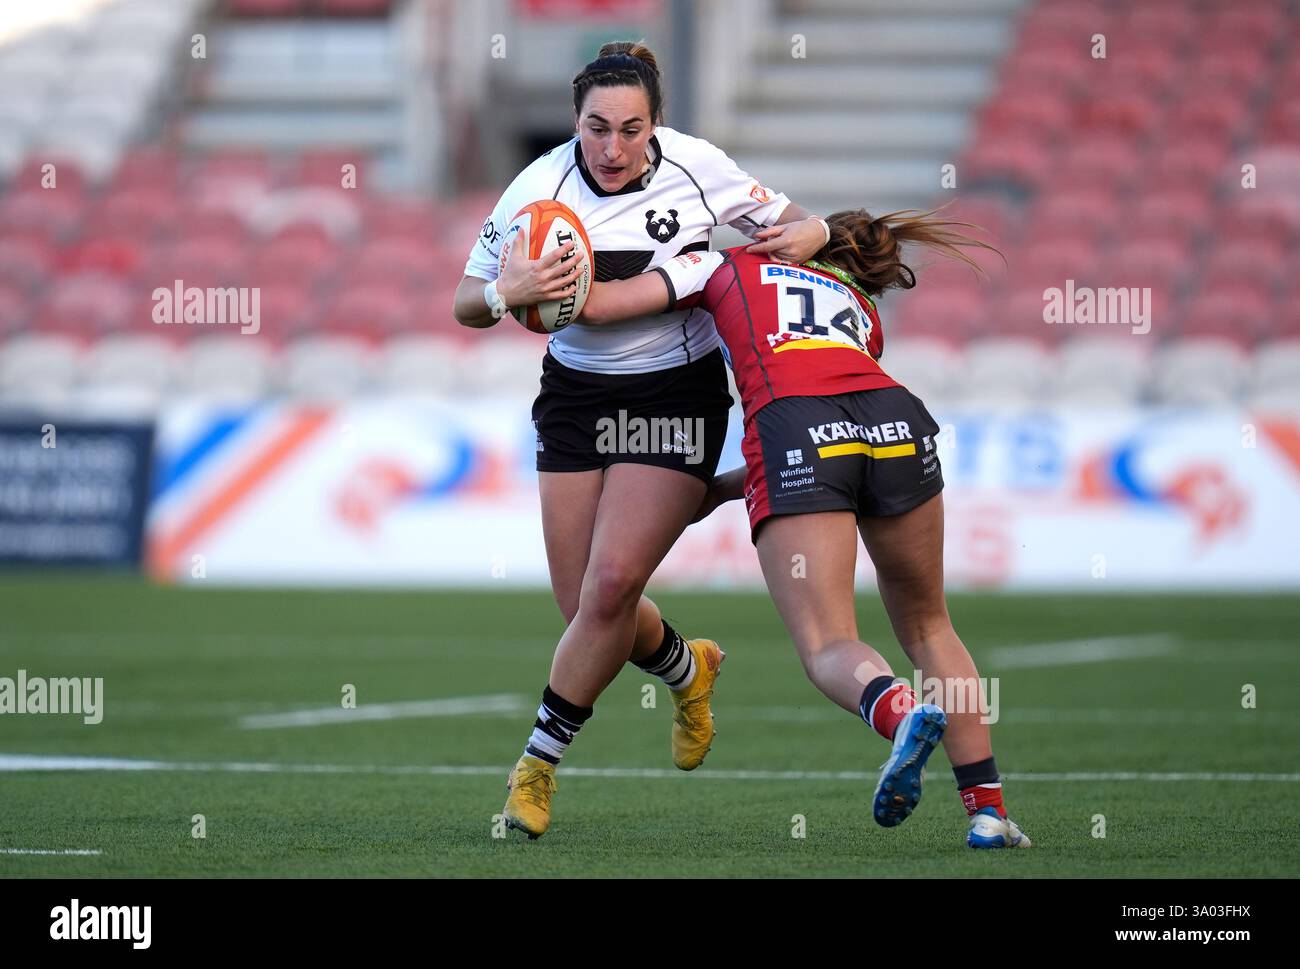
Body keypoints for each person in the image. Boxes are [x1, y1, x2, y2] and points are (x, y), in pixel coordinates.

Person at [451, 40, 833, 839]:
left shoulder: (698, 167)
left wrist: (817, 230)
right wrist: (503, 290)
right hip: (574, 394)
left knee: (612, 581)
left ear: (656, 123)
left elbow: (795, 223)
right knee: (582, 602)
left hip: (676, 391)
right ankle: (690, 669)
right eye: (596, 128)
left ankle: (535, 766)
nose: (613, 148)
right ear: (574, 120)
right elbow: (464, 303)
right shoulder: (536, 187)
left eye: (631, 129)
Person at [575, 208, 1032, 848]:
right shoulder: (860, 309)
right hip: (896, 421)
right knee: (931, 626)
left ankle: (900, 712)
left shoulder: (725, 265)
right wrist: (730, 490)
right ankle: (988, 814)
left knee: (827, 644)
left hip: (795, 428)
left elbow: (597, 307)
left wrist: (509, 287)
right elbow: (841, 422)